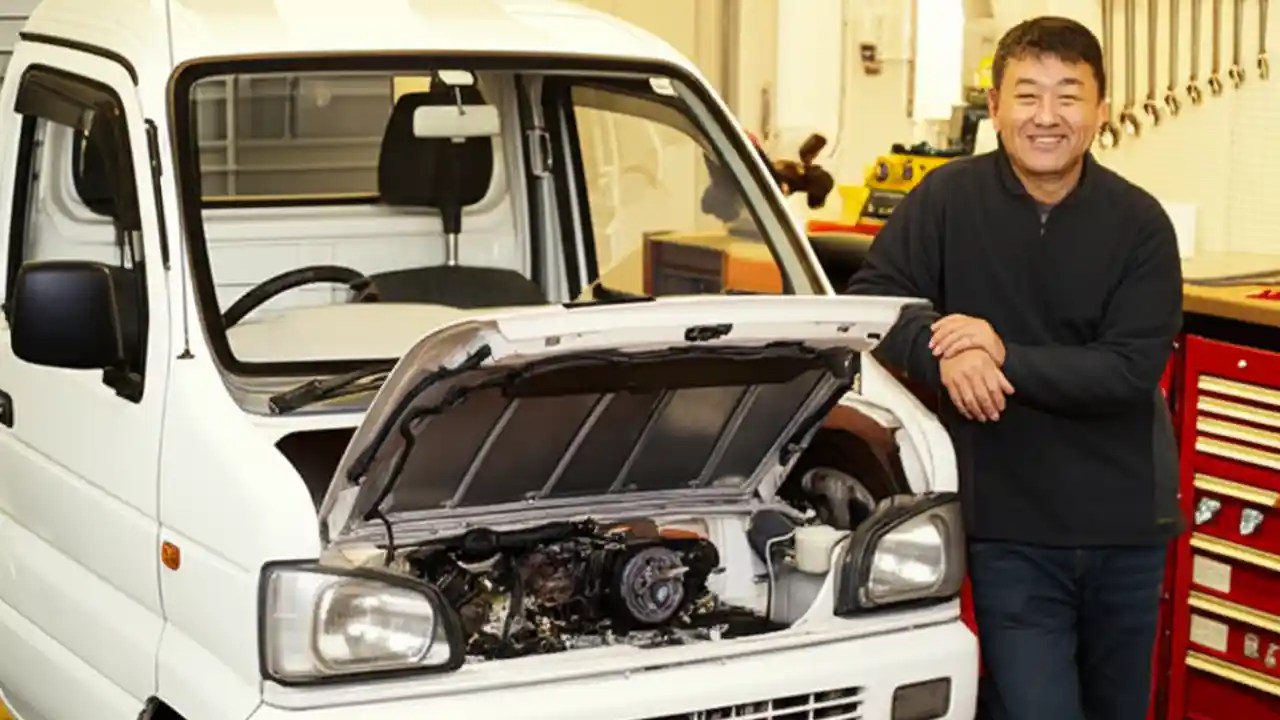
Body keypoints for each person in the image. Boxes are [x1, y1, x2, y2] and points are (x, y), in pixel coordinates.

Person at [844, 16, 1184, 720]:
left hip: (1123, 526)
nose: (1046, 117)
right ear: (995, 107)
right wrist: (948, 350)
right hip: (1008, 524)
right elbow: (877, 304)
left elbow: (1127, 371)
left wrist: (1001, 355)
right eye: (1027, 95)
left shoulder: (1140, 224)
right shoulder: (946, 200)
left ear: (1101, 110)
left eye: (1068, 96)